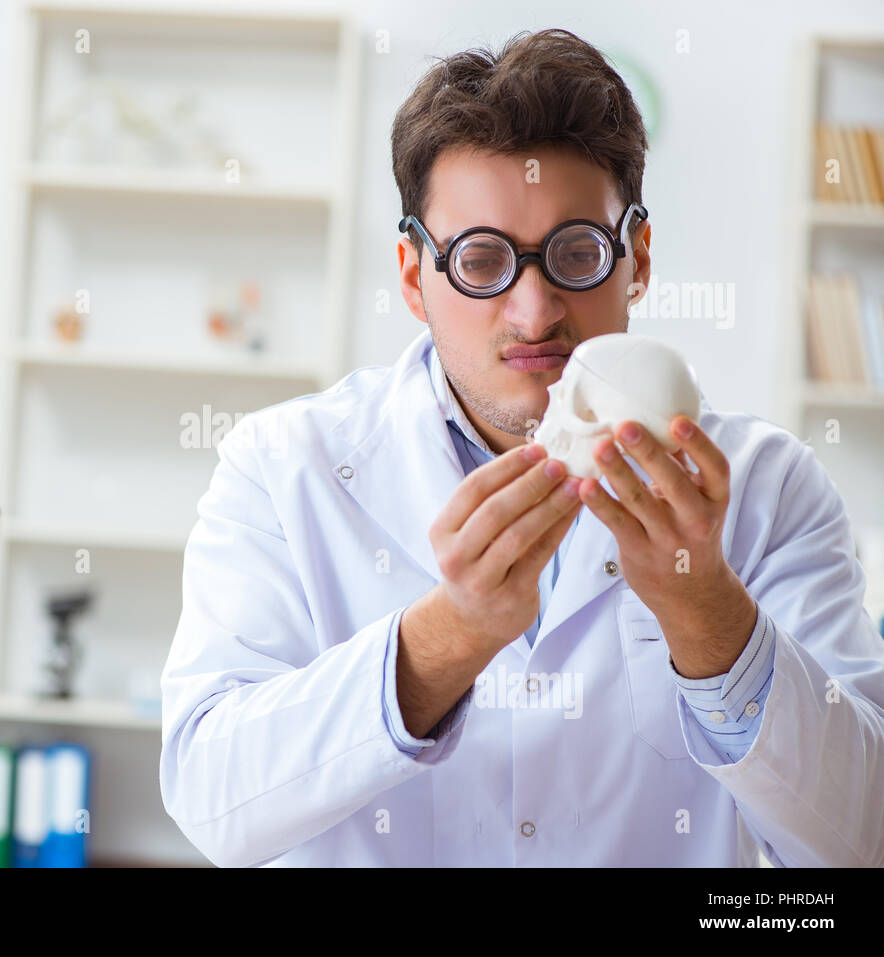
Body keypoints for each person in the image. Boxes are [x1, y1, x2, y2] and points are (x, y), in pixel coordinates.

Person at [158, 28, 884, 867]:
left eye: (577, 253)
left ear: (637, 258)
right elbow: (212, 799)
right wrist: (445, 638)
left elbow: (863, 836)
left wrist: (706, 613)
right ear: (412, 274)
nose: (535, 313)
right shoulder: (284, 466)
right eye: (480, 260)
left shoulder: (767, 486)